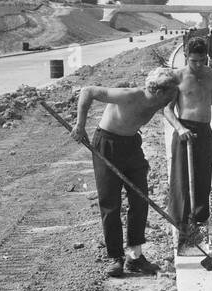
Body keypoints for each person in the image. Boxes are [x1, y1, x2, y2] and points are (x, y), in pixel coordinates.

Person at [72, 67, 179, 278]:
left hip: (132, 146)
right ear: (159, 92)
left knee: (140, 199)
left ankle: (135, 256)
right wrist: (80, 125)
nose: (172, 99)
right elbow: (88, 91)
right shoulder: (130, 96)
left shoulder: (159, 101)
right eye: (170, 94)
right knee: (110, 203)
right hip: (108, 144)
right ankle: (115, 257)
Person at [165, 37, 212, 242]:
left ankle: (199, 223)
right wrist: (180, 128)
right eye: (193, 61)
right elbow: (168, 110)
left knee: (203, 177)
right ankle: (180, 225)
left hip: (204, 130)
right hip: (183, 130)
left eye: (202, 60)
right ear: (186, 56)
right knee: (181, 180)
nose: (198, 65)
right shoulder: (177, 76)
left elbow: (211, 100)